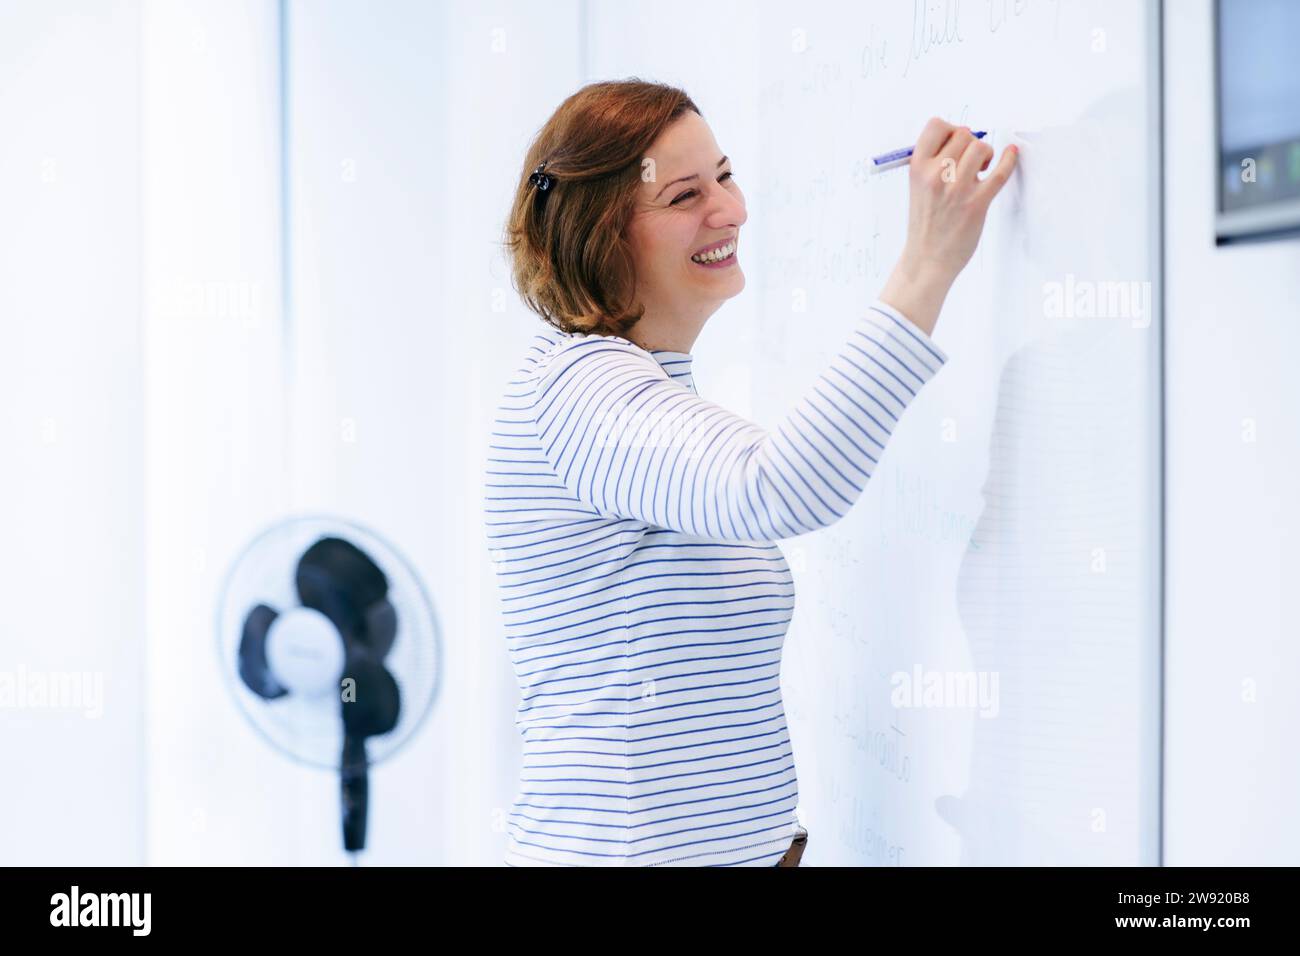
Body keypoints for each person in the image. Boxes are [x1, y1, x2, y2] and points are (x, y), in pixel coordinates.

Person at [487, 79, 1017, 866]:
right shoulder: (578, 385)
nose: (730, 210)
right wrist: (928, 264)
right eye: (684, 195)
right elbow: (779, 486)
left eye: (726, 176)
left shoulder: (639, 387)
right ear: (601, 233)